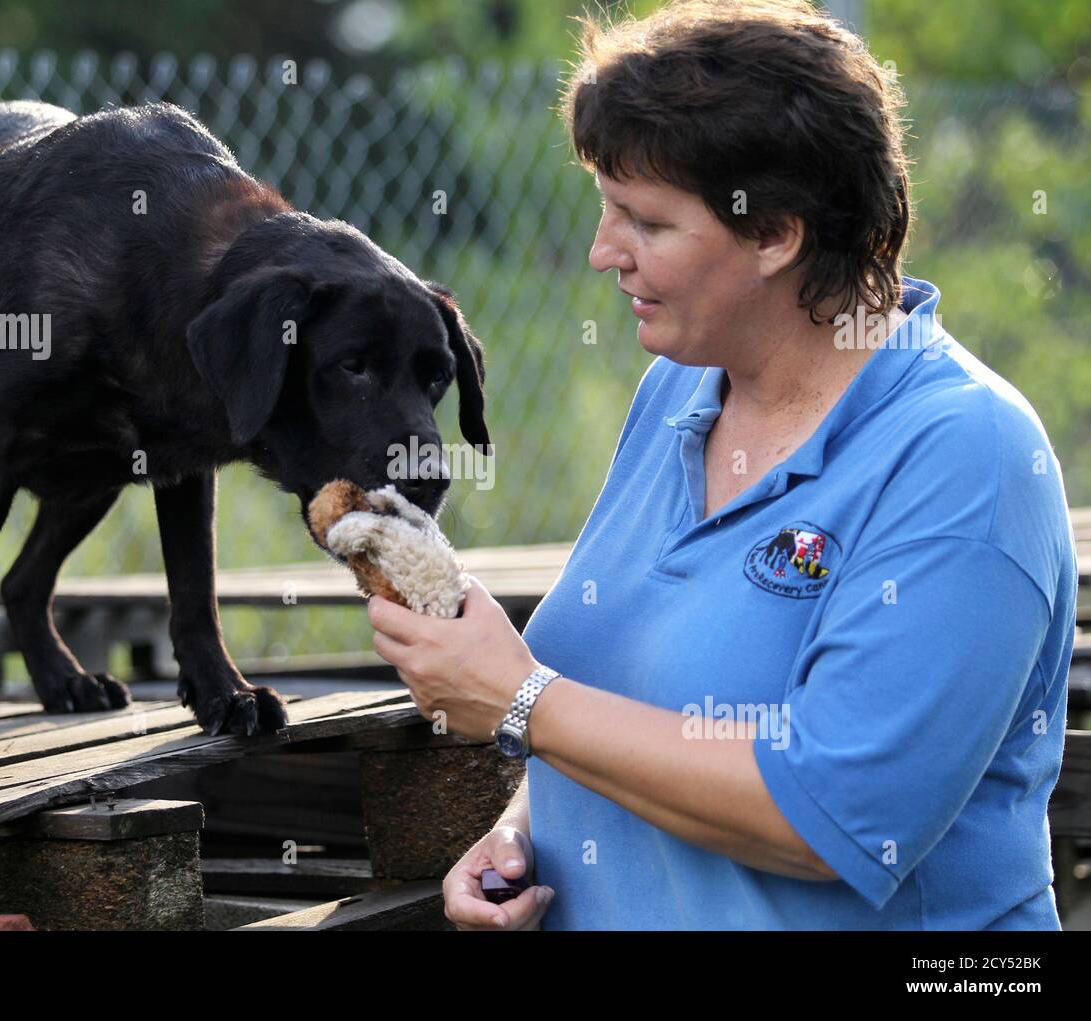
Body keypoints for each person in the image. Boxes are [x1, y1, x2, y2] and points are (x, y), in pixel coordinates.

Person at [365, 0, 1076, 930]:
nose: (600, 253)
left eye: (644, 220)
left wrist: (519, 700)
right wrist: (526, 826)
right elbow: (633, 703)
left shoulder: (964, 454)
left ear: (776, 232)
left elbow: (831, 819)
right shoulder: (677, 394)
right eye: (602, 207)